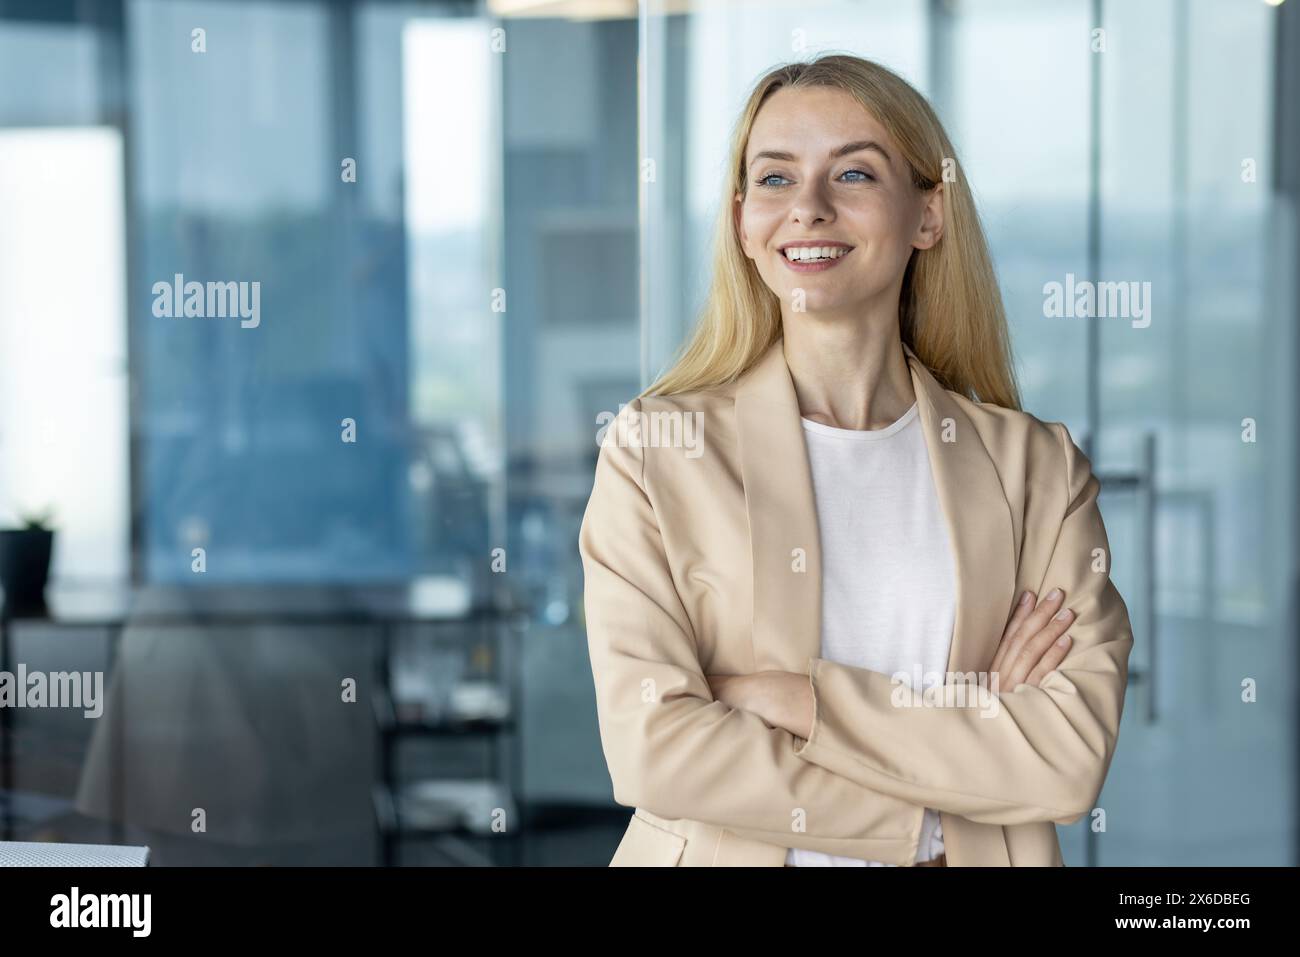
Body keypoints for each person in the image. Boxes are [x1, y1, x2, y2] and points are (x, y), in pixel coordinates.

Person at [579, 53, 1133, 867]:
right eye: (773, 179)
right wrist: (942, 804)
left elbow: (1066, 754)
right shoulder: (656, 454)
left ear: (927, 216)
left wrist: (801, 701)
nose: (807, 207)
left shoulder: (1036, 469)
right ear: (742, 221)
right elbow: (656, 747)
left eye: (853, 174)